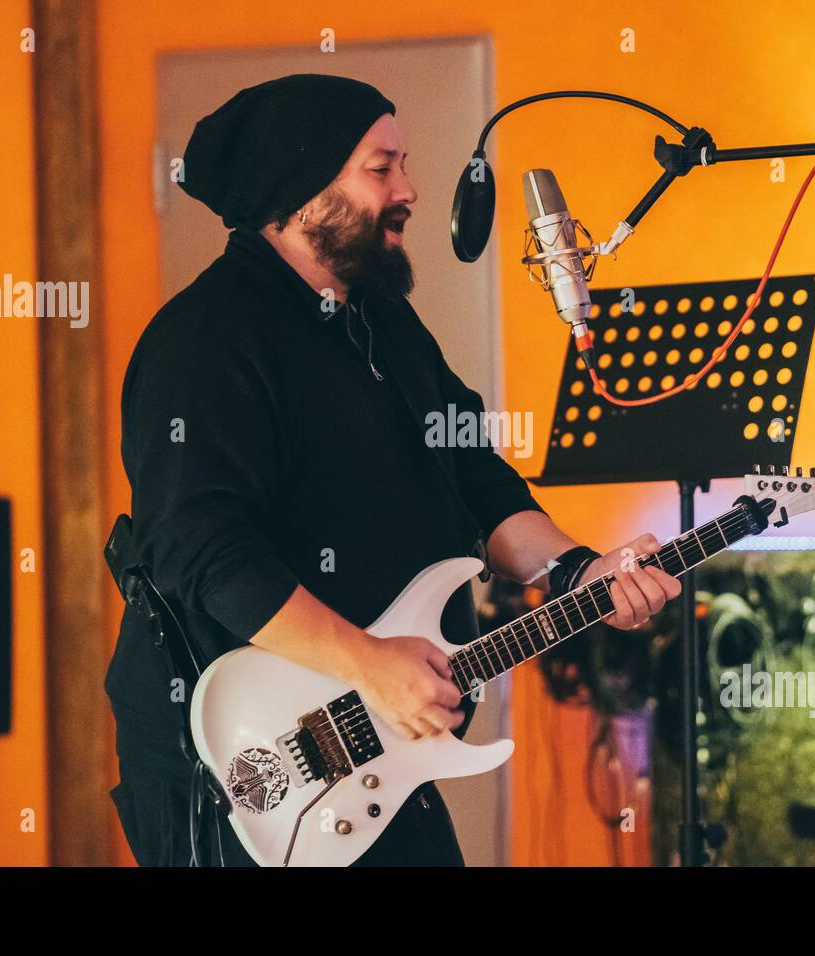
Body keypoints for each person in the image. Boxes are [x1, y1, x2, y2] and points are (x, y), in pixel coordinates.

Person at [104, 73, 680, 866]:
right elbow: (204, 552)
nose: (408, 188)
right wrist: (369, 665)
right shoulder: (205, 339)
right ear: (303, 193)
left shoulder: (382, 321)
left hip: (376, 756)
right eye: (381, 168)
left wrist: (581, 572)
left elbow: (477, 479)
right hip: (248, 776)